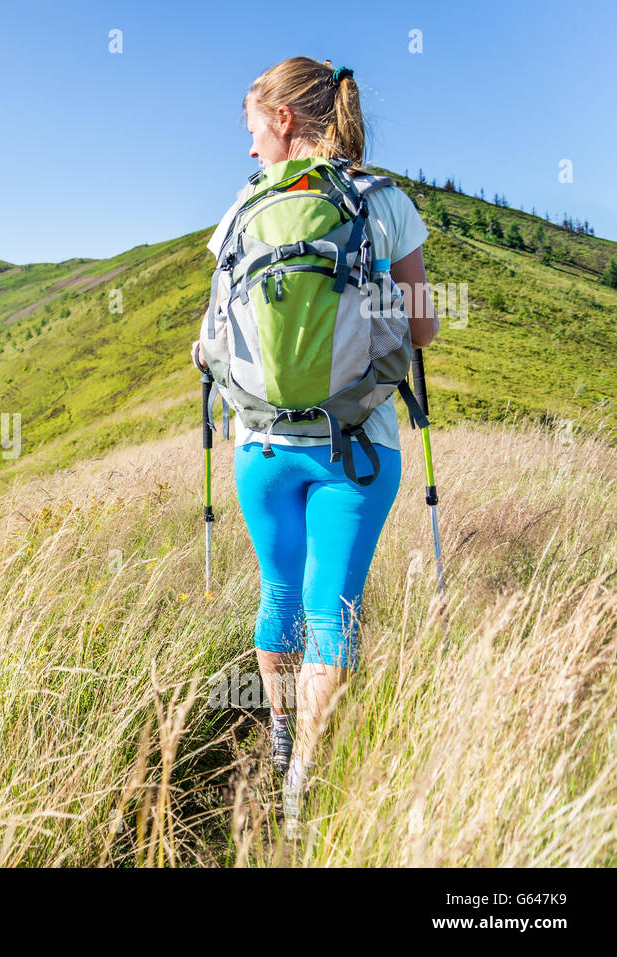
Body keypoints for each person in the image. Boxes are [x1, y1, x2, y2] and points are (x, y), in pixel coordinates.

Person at [191, 56, 439, 832]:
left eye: (253, 127)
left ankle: (277, 743)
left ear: (286, 120)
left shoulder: (238, 212)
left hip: (261, 446)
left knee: (278, 596)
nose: (251, 145)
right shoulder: (384, 200)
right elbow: (425, 326)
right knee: (333, 612)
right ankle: (302, 788)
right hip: (358, 445)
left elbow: (210, 339)